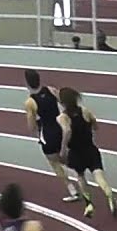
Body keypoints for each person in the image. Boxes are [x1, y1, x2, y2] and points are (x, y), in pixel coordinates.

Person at [57, 87, 117, 219]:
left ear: (62, 102)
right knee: (99, 176)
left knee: (80, 177)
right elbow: (95, 125)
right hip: (90, 149)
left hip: (76, 152)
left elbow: (67, 131)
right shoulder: (85, 111)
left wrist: (63, 149)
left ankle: (89, 204)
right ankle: (108, 193)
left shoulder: (63, 117)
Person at [22, 69, 78, 202]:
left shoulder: (30, 102)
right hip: (60, 128)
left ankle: (72, 189)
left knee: (54, 163)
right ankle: (81, 179)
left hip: (47, 134)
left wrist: (38, 126)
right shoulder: (51, 90)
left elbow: (31, 127)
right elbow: (65, 104)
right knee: (67, 157)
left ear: (27, 84)